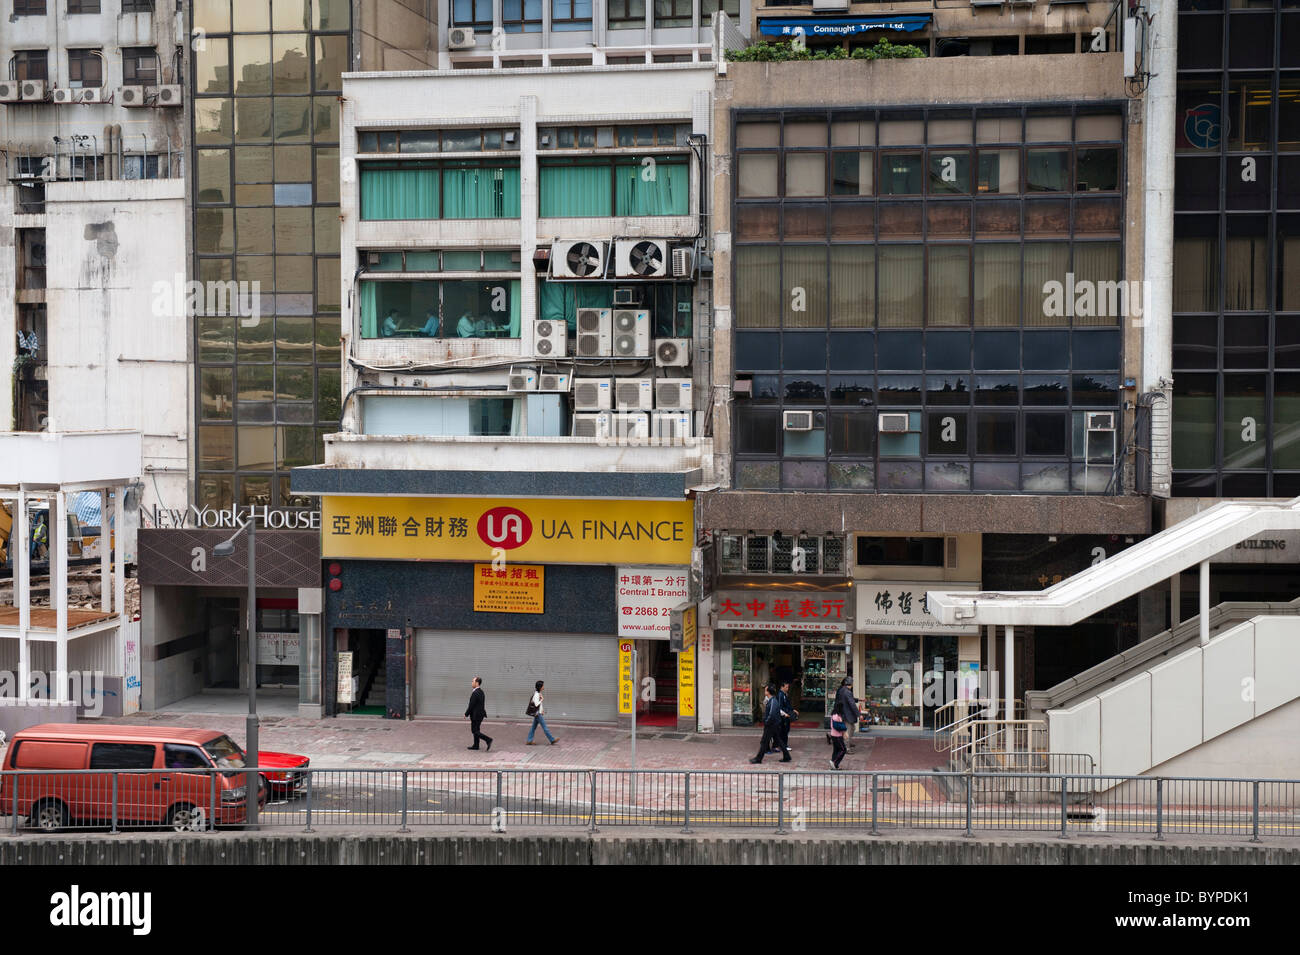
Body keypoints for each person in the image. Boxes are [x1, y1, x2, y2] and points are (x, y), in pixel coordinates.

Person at [748, 684, 790, 765]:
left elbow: (771, 715)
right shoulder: (772, 700)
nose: (764, 691)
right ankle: (787, 756)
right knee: (779, 741)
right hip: (774, 725)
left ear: (768, 692)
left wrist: (766, 721)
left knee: (764, 742)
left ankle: (758, 758)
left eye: (765, 690)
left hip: (771, 725)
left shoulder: (773, 701)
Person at [525, 679, 558, 745]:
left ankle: (529, 740)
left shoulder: (538, 693)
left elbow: (538, 705)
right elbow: (536, 704)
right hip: (538, 714)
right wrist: (542, 699)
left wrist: (542, 710)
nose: (543, 687)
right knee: (545, 727)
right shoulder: (537, 694)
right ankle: (552, 740)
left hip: (538, 713)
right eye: (543, 686)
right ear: (540, 687)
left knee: (533, 728)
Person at [464, 676, 492, 751]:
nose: (472, 683)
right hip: (480, 714)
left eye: (473, 681)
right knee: (477, 730)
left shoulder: (475, 693)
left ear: (477, 683)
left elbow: (471, 705)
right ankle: (476, 745)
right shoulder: (481, 691)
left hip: (476, 715)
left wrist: (466, 714)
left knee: (474, 731)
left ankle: (488, 740)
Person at [835, 676, 862, 751]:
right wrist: (859, 715)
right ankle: (846, 748)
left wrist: (858, 699)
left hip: (843, 713)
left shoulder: (841, 690)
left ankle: (848, 743)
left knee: (852, 728)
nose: (852, 685)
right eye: (851, 684)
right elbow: (852, 704)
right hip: (847, 714)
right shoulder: (847, 692)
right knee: (848, 731)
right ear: (849, 684)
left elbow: (848, 699)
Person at [773, 680, 797, 755]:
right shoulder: (780, 695)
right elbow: (780, 707)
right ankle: (783, 745)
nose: (787, 688)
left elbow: (787, 705)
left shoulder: (784, 694)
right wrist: (785, 713)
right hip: (783, 716)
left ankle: (782, 745)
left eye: (788, 687)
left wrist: (792, 710)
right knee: (784, 730)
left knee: (785, 730)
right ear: (782, 687)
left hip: (785, 714)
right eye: (786, 687)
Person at [828, 698, 848, 770]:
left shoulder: (834, 714)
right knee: (843, 749)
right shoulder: (837, 716)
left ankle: (834, 766)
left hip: (834, 735)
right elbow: (837, 726)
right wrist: (844, 730)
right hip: (837, 736)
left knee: (836, 750)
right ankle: (835, 762)